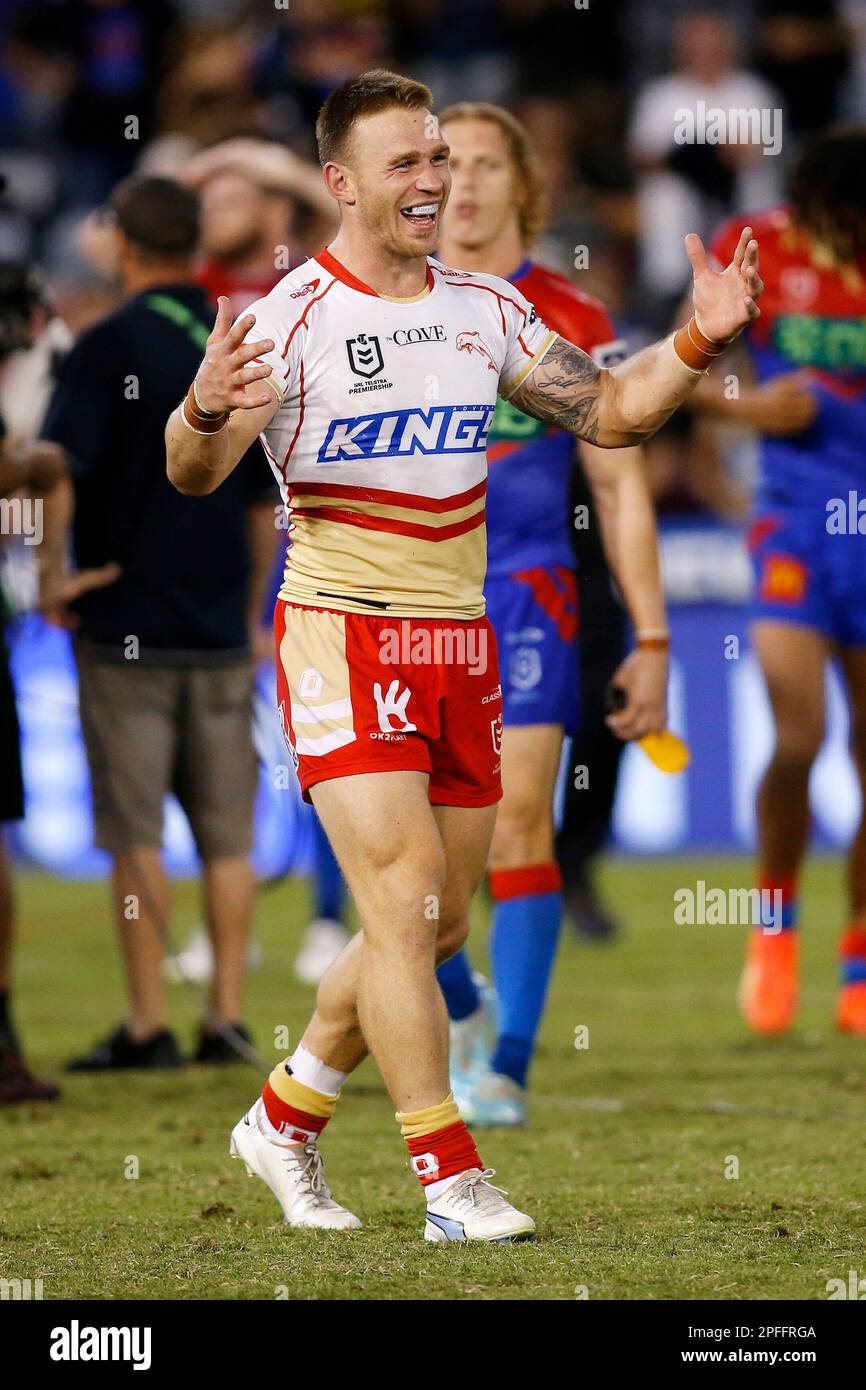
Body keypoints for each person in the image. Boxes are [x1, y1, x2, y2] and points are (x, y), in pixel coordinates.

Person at [165, 69, 762, 1241]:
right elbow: (196, 474)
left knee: (433, 925)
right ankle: (451, 1178)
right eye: (407, 164)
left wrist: (696, 338)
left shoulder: (482, 309)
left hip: (462, 641)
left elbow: (610, 414)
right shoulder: (289, 317)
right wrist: (195, 410)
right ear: (339, 184)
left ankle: (282, 1119)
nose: (434, 181)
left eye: (438, 157)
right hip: (339, 635)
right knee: (396, 902)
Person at [433, 102, 669, 1125]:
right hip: (404, 589)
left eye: (486, 164)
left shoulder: (566, 312)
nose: (465, 183)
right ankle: (460, 996)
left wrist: (652, 636)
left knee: (518, 821)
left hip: (526, 588)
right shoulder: (386, 303)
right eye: (447, 163)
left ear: (520, 184)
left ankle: (506, 1066)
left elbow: (617, 487)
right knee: (415, 868)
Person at [41, 175, 278, 1070]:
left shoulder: (103, 348)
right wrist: (253, 611)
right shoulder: (233, 345)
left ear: (127, 248)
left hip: (125, 626)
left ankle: (147, 1026)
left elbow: (63, 466)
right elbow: (263, 503)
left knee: (137, 836)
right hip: (220, 630)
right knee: (228, 836)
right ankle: (224, 1019)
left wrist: (57, 574)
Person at [690, 126, 866, 1036]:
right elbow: (688, 376)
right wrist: (752, 408)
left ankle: (860, 958)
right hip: (793, 522)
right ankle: (774, 925)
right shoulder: (758, 245)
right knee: (798, 734)